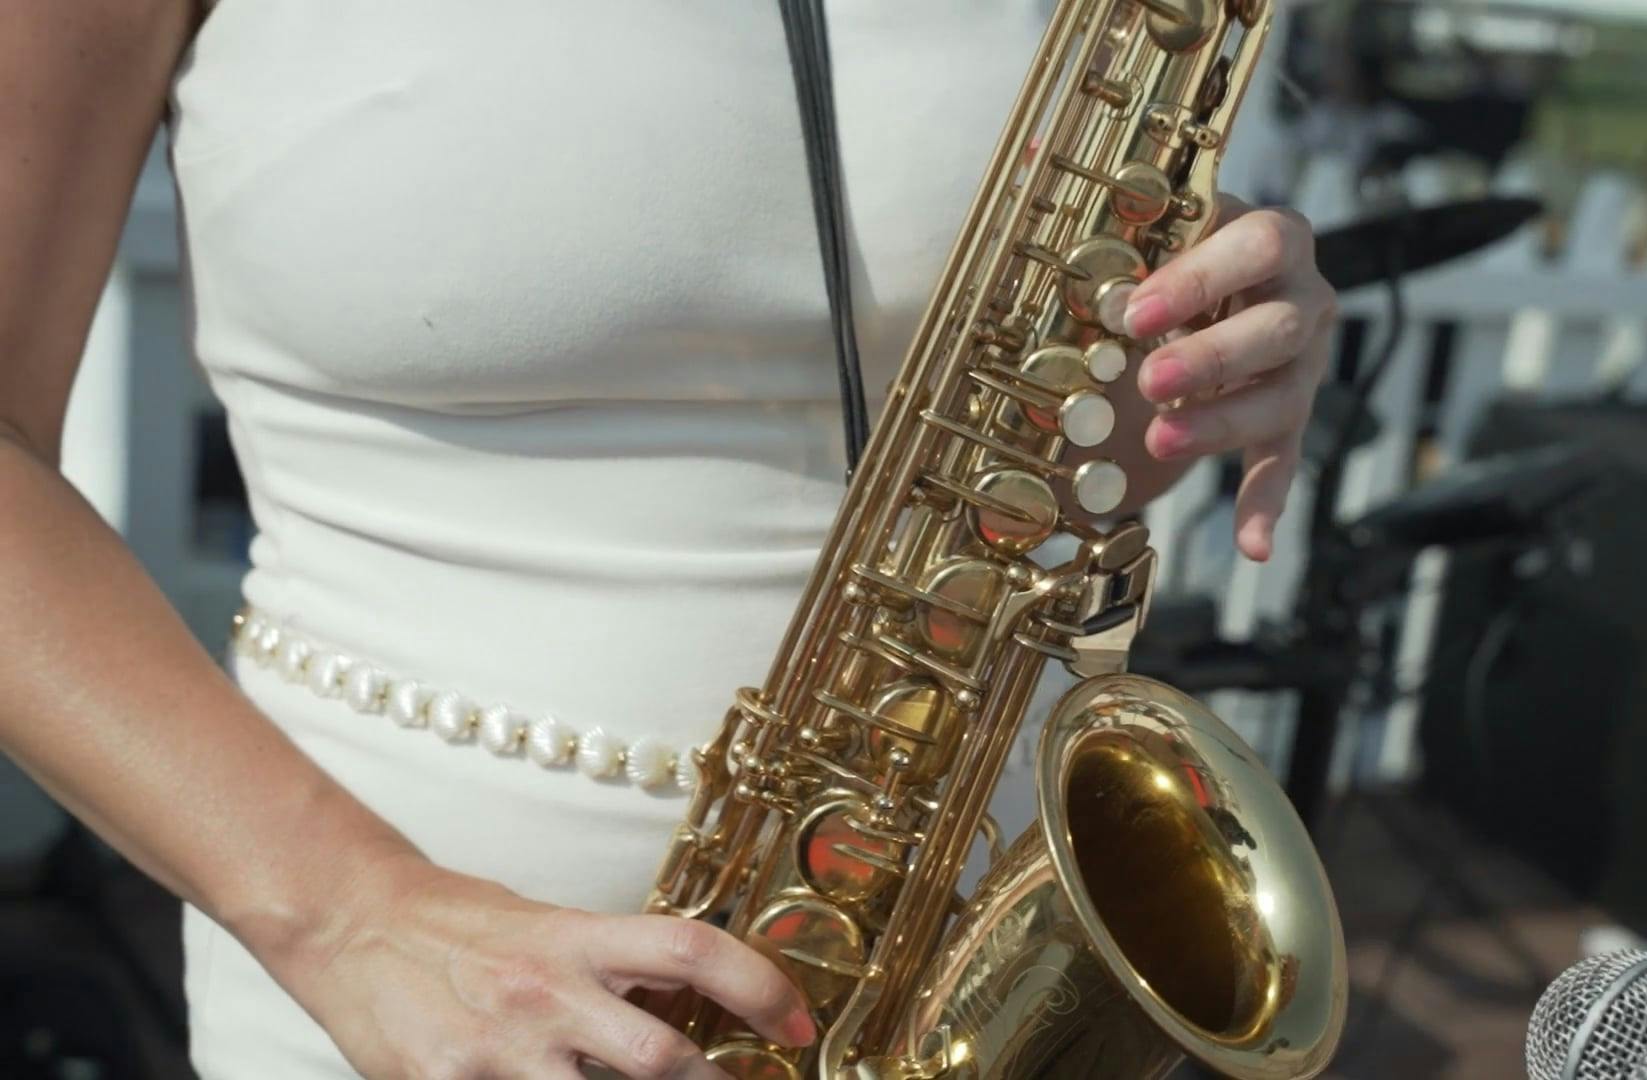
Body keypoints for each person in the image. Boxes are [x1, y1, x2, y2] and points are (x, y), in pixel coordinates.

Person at [0, 3, 1336, 1078]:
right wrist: (343, 912)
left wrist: (1199, 366)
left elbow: (1018, 478)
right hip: (407, 1013)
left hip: (957, 955)